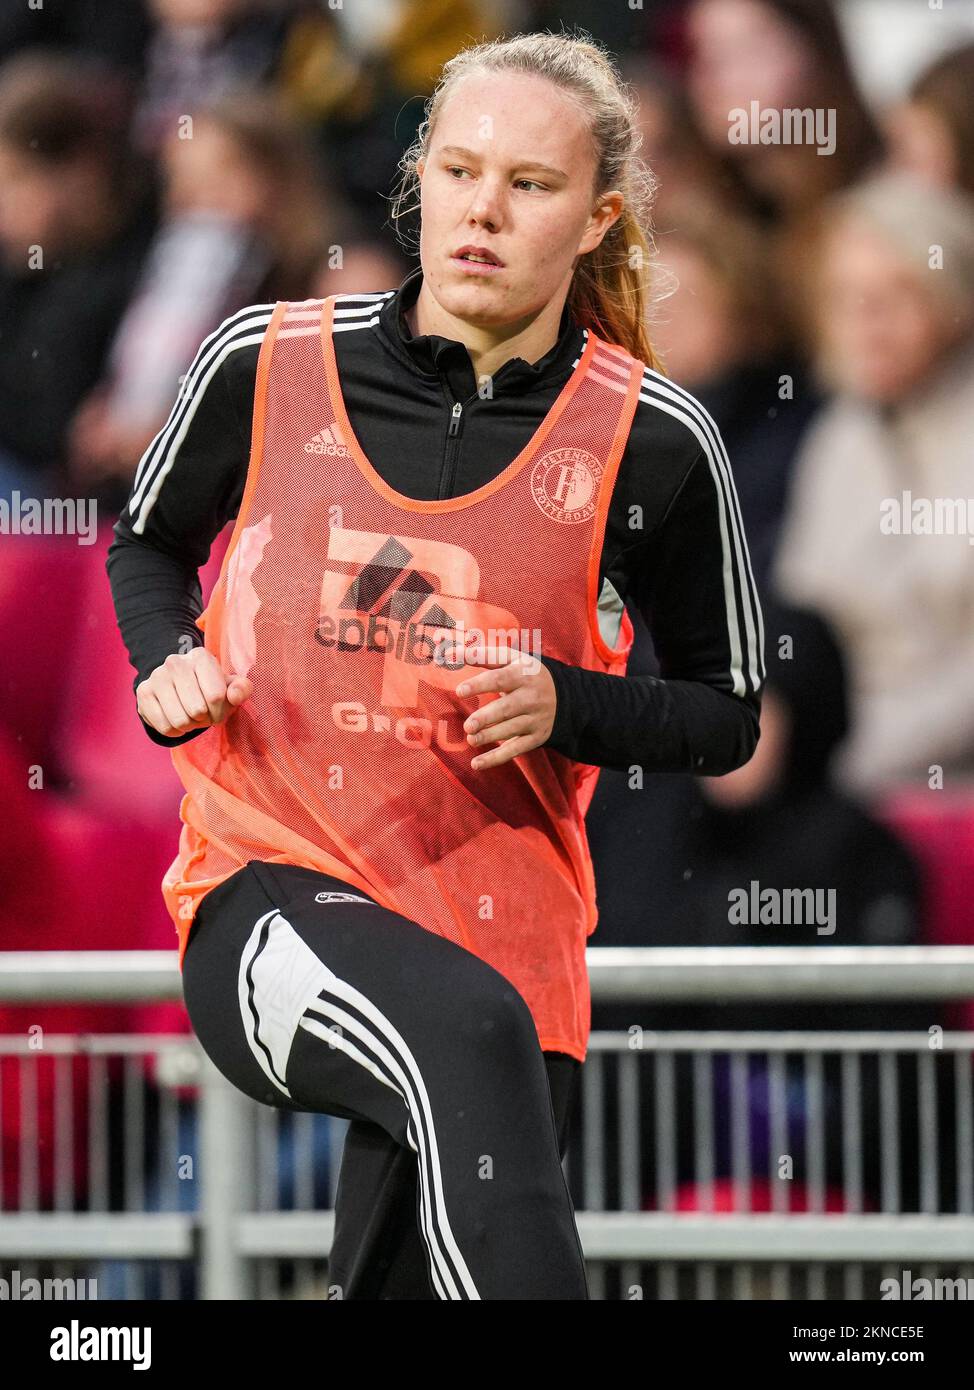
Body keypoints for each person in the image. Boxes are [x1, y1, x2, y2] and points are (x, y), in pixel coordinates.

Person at [107, 30, 764, 1300]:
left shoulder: (657, 442)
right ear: (418, 181)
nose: (483, 210)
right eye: (460, 171)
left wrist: (567, 702)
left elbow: (725, 711)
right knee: (456, 1030)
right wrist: (167, 660)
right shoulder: (265, 359)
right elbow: (145, 541)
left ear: (595, 219)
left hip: (515, 951)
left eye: (530, 184)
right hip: (273, 889)